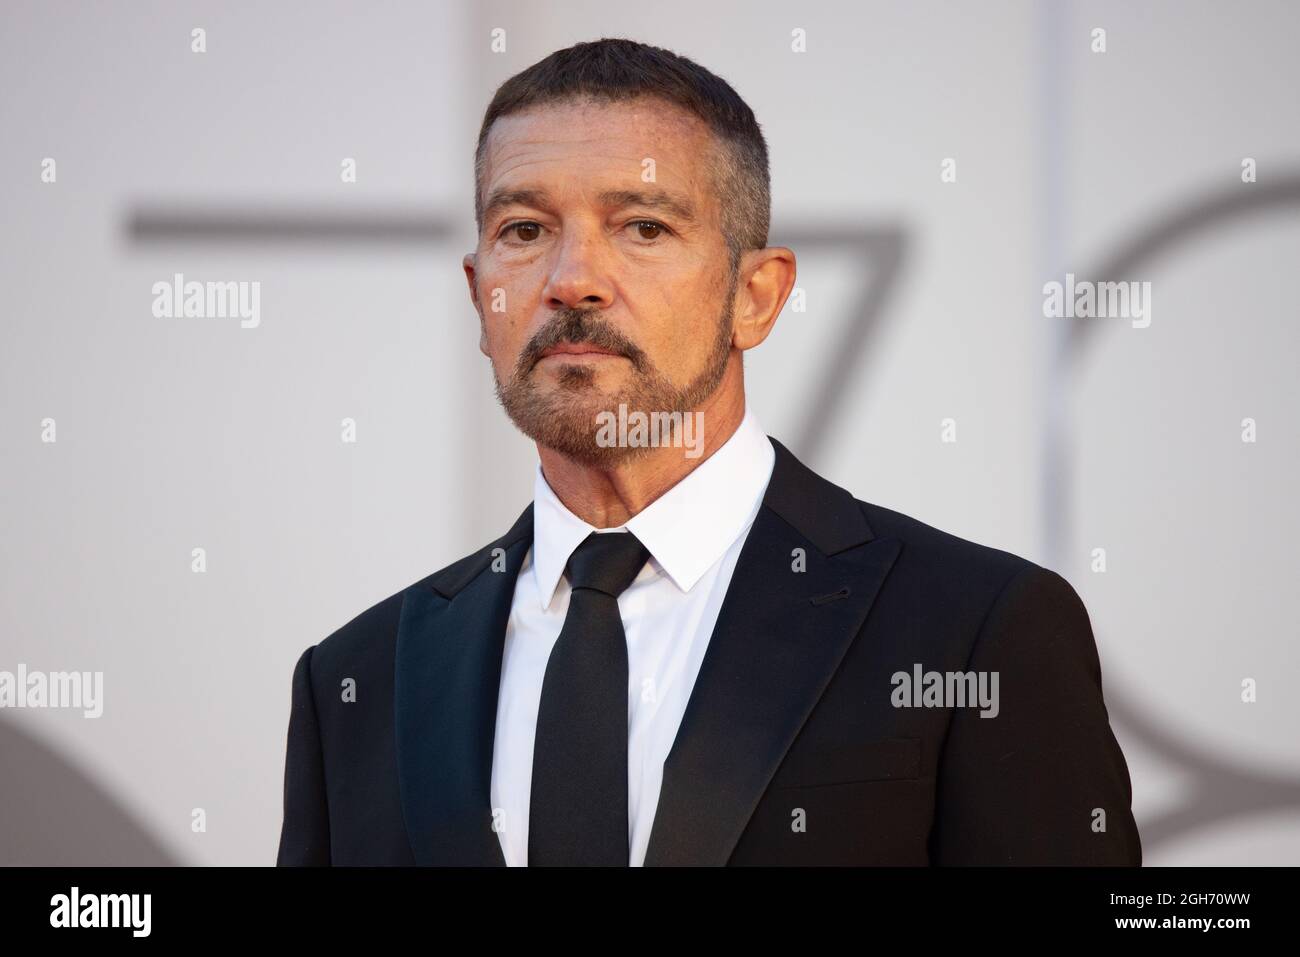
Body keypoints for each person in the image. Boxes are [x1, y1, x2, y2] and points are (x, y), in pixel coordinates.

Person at [276, 37, 1140, 866]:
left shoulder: (974, 631)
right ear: (480, 294)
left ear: (755, 297)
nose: (572, 277)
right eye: (525, 228)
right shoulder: (356, 681)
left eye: (643, 227)